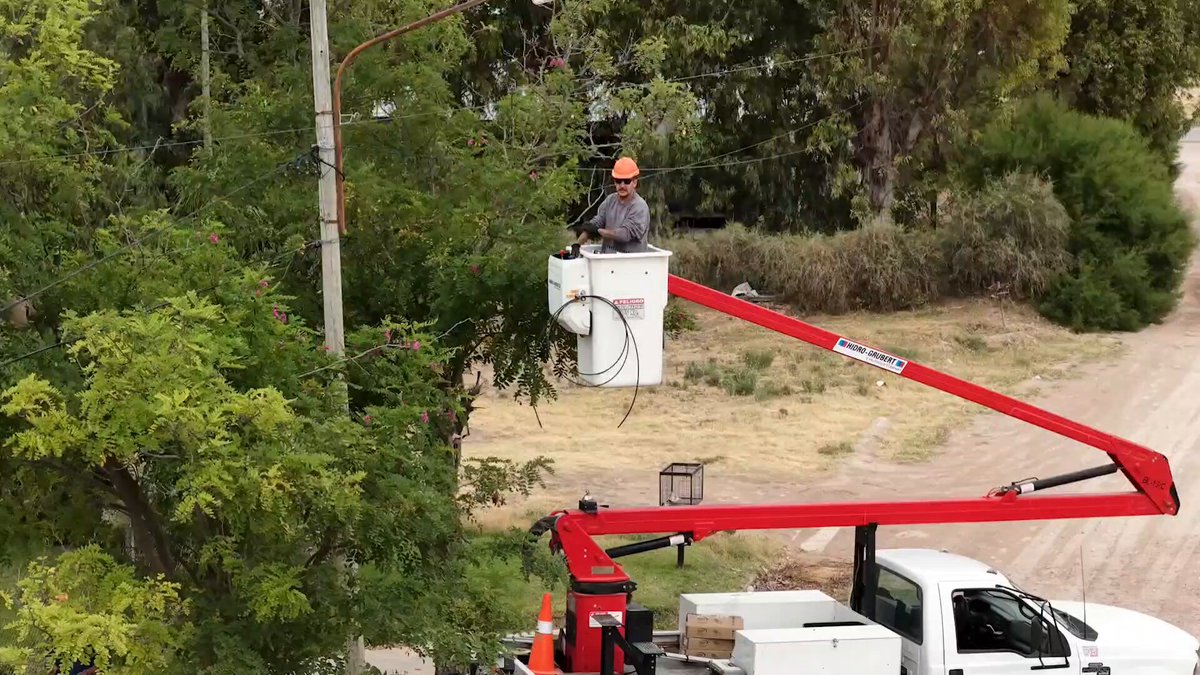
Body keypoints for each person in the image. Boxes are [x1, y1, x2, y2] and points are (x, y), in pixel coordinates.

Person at [570, 156, 651, 254]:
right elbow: (596, 223)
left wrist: (599, 231)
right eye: (618, 181)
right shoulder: (610, 201)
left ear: (634, 182)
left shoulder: (640, 207)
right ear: (614, 182)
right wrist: (578, 244)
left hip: (631, 263)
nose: (622, 185)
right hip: (608, 261)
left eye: (626, 181)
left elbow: (625, 234)